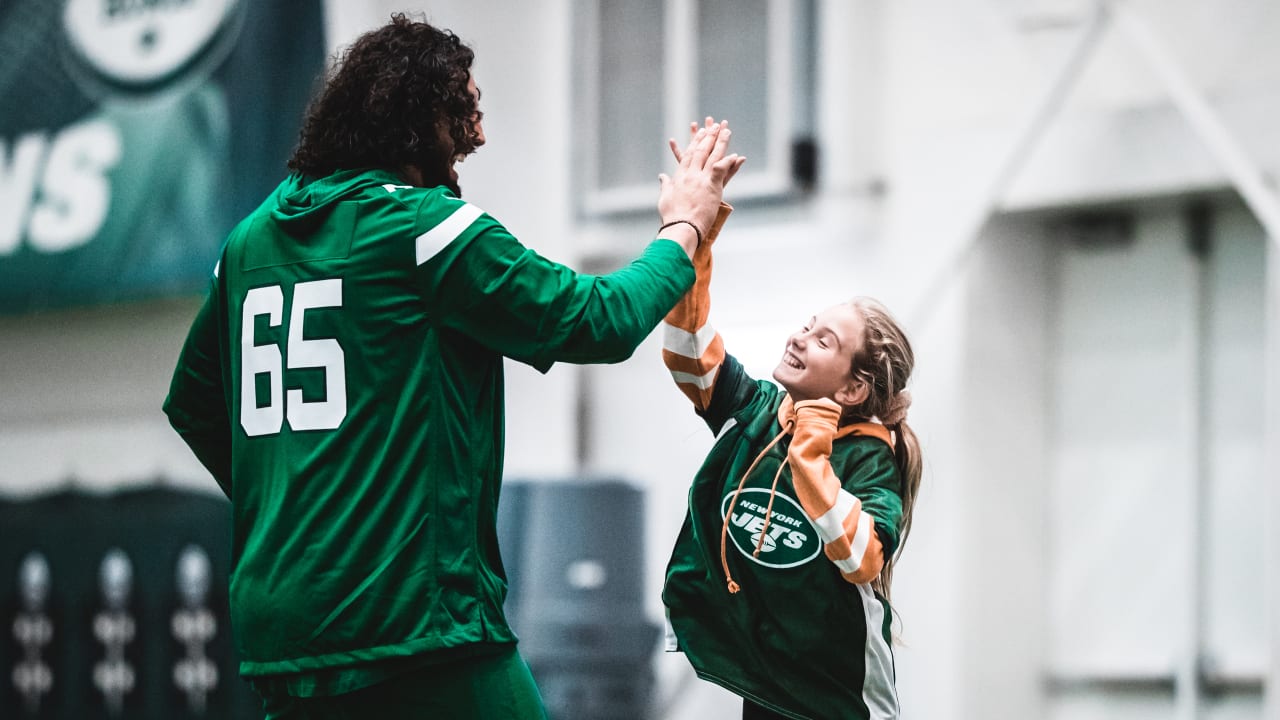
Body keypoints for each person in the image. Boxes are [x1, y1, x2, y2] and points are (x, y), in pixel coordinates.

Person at [162, 13, 743, 719]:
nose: (480, 136)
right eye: (462, 114)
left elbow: (195, 404)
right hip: (411, 619)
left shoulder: (247, 244)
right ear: (414, 123)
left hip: (283, 628)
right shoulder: (424, 229)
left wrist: (300, 506)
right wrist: (685, 225)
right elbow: (600, 321)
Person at [658, 210, 922, 719]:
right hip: (768, 684)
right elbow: (686, 351)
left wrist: (811, 452)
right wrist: (693, 239)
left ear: (852, 389)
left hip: (836, 697)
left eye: (824, 341)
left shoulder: (868, 457)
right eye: (808, 325)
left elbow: (863, 557)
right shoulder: (755, 410)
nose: (799, 338)